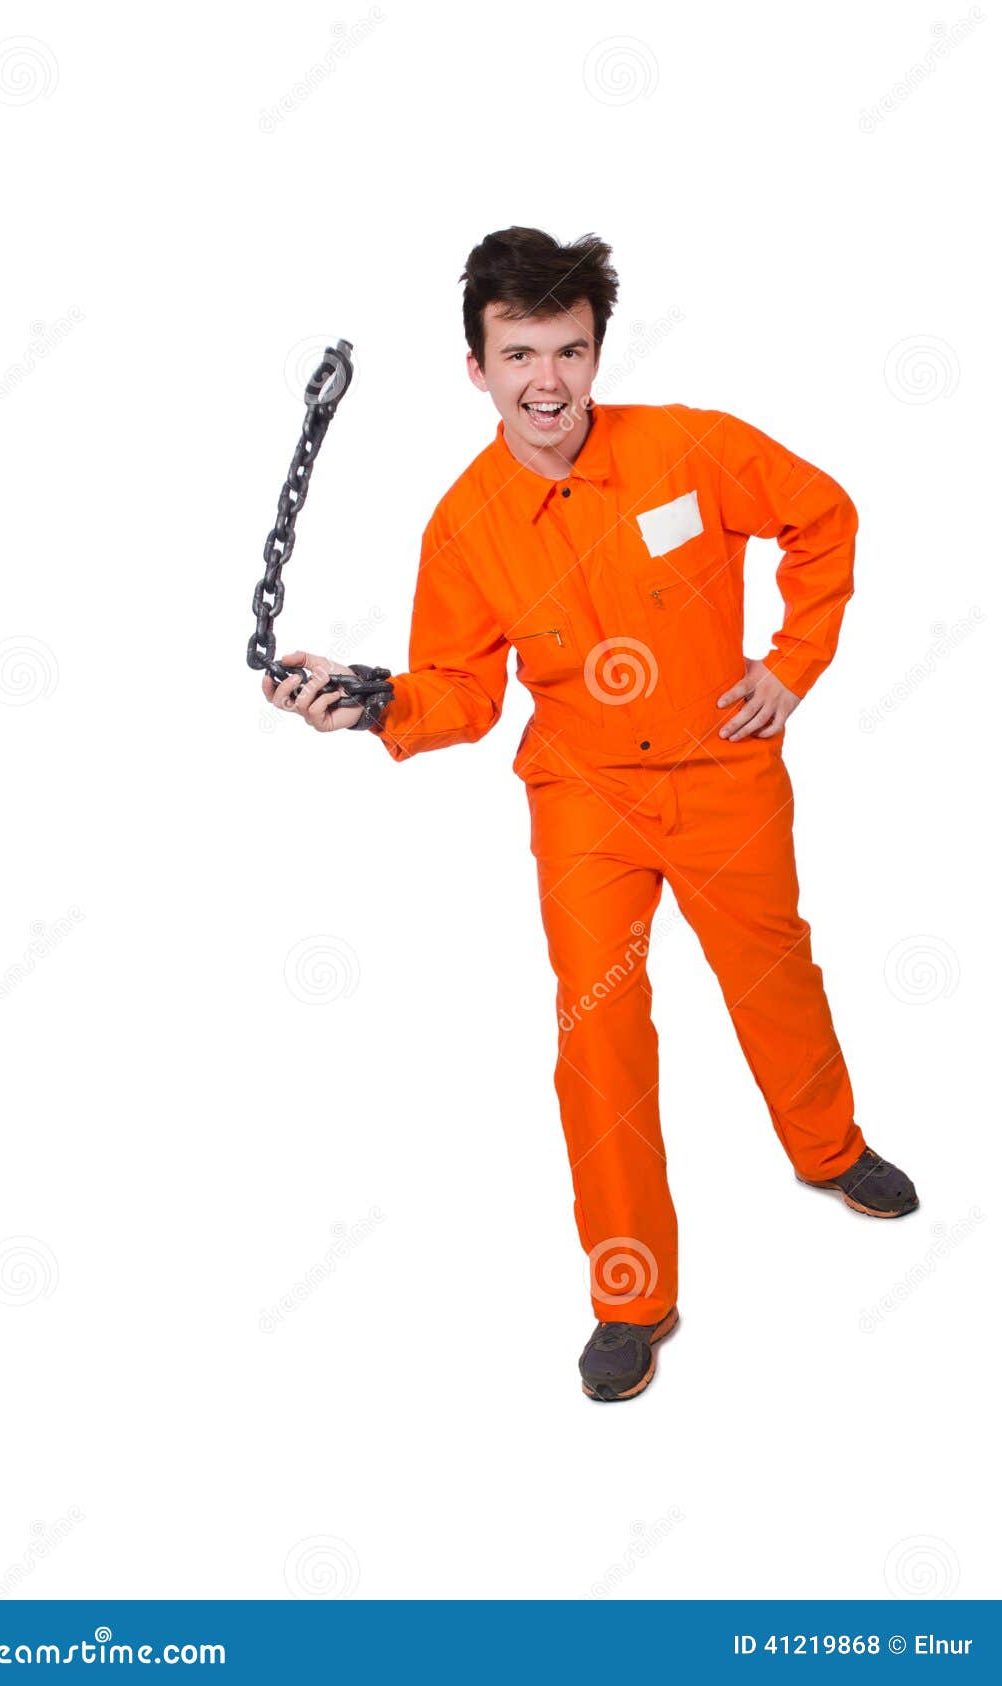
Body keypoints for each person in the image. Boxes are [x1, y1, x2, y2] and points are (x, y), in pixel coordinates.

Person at [263, 226, 919, 1404]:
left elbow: (823, 514)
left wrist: (790, 662)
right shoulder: (463, 523)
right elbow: (460, 694)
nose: (547, 381)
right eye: (518, 354)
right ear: (477, 366)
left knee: (776, 982)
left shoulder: (687, 449)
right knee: (597, 1036)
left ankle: (828, 1151)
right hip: (585, 800)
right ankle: (632, 1297)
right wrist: (364, 706)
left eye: (568, 349)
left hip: (727, 776)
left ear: (599, 347)